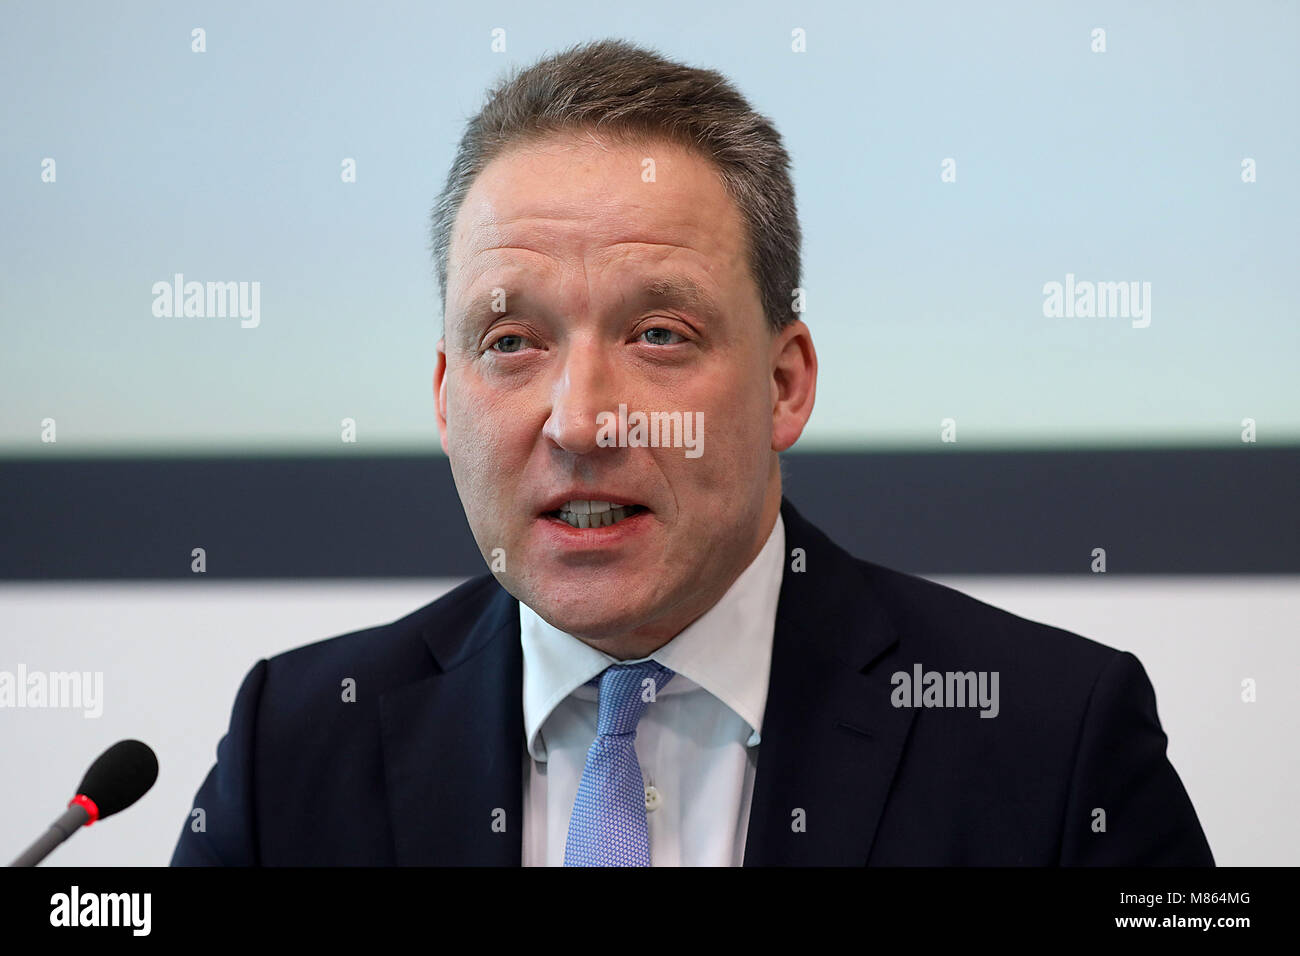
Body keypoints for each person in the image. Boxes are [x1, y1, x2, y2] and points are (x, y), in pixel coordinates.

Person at [171, 38, 1213, 866]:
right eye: (511, 343)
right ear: (447, 400)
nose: (581, 422)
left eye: (658, 335)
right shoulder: (298, 746)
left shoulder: (1046, 737)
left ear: (783, 382)